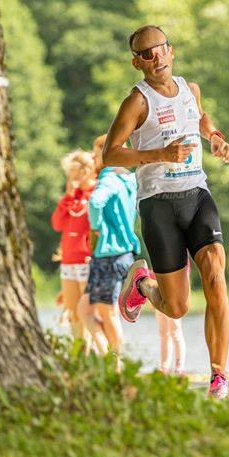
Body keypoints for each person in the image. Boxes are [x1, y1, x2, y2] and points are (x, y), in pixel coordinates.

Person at [101, 24, 229, 399]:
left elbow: (201, 117)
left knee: (216, 277)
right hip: (159, 204)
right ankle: (143, 283)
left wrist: (216, 138)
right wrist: (160, 155)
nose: (156, 57)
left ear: (171, 50)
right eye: (147, 53)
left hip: (197, 194)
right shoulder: (137, 101)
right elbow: (110, 154)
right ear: (137, 62)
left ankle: (218, 375)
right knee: (176, 307)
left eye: (160, 49)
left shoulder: (189, 89)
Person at [87, 134, 140, 358]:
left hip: (109, 251)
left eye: (97, 152)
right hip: (124, 250)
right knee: (88, 309)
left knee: (107, 312)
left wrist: (96, 226)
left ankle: (116, 363)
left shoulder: (108, 179)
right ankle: (108, 358)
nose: (93, 157)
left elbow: (95, 201)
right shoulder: (130, 179)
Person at [51, 150, 105, 353]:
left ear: (87, 171)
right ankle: (80, 358)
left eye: (75, 172)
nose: (71, 177)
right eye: (69, 173)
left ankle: (103, 356)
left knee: (89, 313)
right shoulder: (71, 198)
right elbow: (57, 224)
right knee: (73, 314)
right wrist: (68, 197)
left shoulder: (96, 194)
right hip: (68, 263)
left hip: (86, 260)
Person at [155, 309, 187, 375]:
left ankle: (179, 367)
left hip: (172, 303)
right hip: (159, 304)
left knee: (176, 333)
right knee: (163, 333)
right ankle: (164, 367)